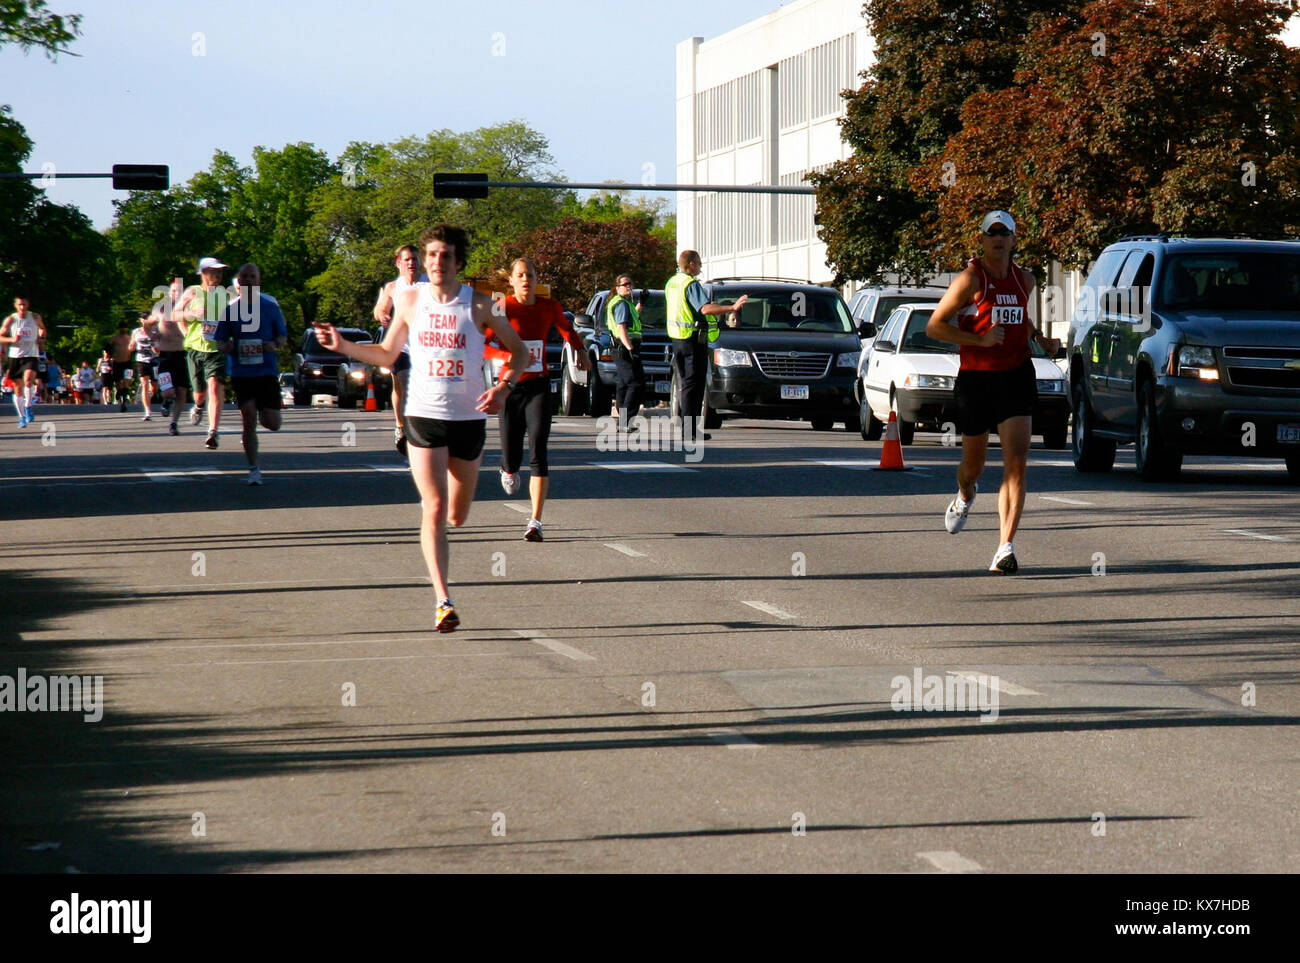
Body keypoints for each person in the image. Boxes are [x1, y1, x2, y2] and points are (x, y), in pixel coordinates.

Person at [315, 225, 528, 632]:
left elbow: (518, 352)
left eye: (445, 256)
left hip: (468, 419)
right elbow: (387, 353)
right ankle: (443, 600)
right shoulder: (409, 299)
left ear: (459, 263)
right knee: (432, 506)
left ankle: (444, 539)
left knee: (457, 515)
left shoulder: (485, 305)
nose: (435, 262)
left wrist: (503, 388)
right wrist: (342, 346)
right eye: (431, 255)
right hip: (423, 415)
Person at [925, 210, 1062, 574]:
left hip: (1016, 377)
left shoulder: (1025, 280)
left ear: (1015, 239)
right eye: (992, 233)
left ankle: (1005, 546)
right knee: (974, 466)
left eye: (1005, 233)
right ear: (982, 239)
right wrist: (980, 340)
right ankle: (966, 494)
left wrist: (1038, 340)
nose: (998, 239)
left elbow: (1020, 315)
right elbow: (935, 327)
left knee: (1016, 463)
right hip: (976, 380)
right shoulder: (971, 279)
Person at [484, 257, 590, 541]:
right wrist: (508, 356)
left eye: (530, 274)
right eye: (520, 275)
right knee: (512, 456)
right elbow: (483, 345)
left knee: (539, 452)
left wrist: (581, 351)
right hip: (510, 387)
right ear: (512, 280)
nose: (525, 280)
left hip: (540, 386)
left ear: (536, 278)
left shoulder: (549, 306)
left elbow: (567, 330)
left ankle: (535, 522)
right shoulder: (502, 308)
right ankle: (507, 469)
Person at [215, 263, 287, 485]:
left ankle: (264, 418)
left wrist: (273, 344)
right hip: (241, 371)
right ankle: (253, 469)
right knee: (248, 418)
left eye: (252, 276)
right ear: (239, 282)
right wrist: (224, 347)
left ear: (258, 281)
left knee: (272, 423)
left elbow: (282, 337)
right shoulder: (230, 309)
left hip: (266, 371)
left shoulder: (270, 307)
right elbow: (220, 339)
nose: (247, 280)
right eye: (243, 276)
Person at [665, 251, 746, 442]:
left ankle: (688, 429)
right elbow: (705, 309)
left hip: (677, 340)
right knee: (694, 386)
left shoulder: (672, 282)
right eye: (699, 263)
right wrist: (732, 308)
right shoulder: (690, 284)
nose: (700, 267)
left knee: (686, 385)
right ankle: (690, 430)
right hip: (692, 340)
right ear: (691, 264)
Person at [373, 245, 426, 457]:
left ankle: (418, 424)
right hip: (402, 346)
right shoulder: (393, 287)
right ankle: (401, 425)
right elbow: (380, 309)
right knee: (402, 383)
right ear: (398, 263)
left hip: (425, 346)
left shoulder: (430, 284)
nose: (411, 263)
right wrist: (383, 315)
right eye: (407, 259)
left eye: (414, 259)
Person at [178, 257, 229, 449]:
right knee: (199, 394)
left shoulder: (225, 295)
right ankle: (198, 406)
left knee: (215, 386)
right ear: (204, 273)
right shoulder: (193, 291)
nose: (218, 275)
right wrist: (190, 316)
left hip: (216, 350)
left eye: (220, 271)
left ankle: (213, 432)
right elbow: (174, 314)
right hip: (195, 349)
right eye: (214, 271)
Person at [151, 278, 190, 435]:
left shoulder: (189, 309)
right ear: (169, 292)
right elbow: (148, 324)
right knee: (169, 392)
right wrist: (152, 336)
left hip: (183, 354)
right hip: (165, 355)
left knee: (182, 393)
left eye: (179, 291)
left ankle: (174, 423)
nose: (177, 293)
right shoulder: (161, 309)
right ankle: (166, 401)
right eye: (174, 291)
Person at [1, 296, 47, 427]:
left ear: (28, 304)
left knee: (28, 380)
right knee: (18, 388)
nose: (22, 307)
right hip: (15, 356)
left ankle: (28, 406)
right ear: (15, 305)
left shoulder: (35, 317)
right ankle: (22, 417)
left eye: (24, 304)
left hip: (31, 354)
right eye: (20, 305)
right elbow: (1, 337)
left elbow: (42, 329)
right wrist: (11, 340)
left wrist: (41, 337)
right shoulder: (11, 320)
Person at [608, 274, 645, 431]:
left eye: (631, 283)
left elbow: (634, 316)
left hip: (622, 347)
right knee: (635, 383)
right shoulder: (621, 304)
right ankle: (626, 421)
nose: (629, 286)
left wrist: (641, 303)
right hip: (624, 347)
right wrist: (630, 348)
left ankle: (622, 421)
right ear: (617, 288)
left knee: (624, 384)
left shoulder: (625, 303)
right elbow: (621, 327)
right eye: (625, 284)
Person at [129, 313, 159, 420]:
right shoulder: (136, 332)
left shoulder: (156, 330)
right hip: (141, 360)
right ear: (141, 320)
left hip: (154, 360)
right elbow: (132, 345)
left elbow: (160, 345)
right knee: (144, 384)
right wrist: (131, 347)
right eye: (144, 319)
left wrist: (156, 347)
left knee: (154, 387)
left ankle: (149, 396)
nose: (145, 321)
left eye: (147, 319)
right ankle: (147, 411)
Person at [108, 323, 134, 412]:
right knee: (118, 382)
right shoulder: (115, 338)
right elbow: (107, 347)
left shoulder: (130, 338)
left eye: (125, 328)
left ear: (127, 329)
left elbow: (135, 348)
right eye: (122, 328)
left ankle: (124, 401)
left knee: (126, 382)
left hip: (128, 363)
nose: (123, 330)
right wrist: (111, 355)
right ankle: (119, 393)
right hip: (117, 363)